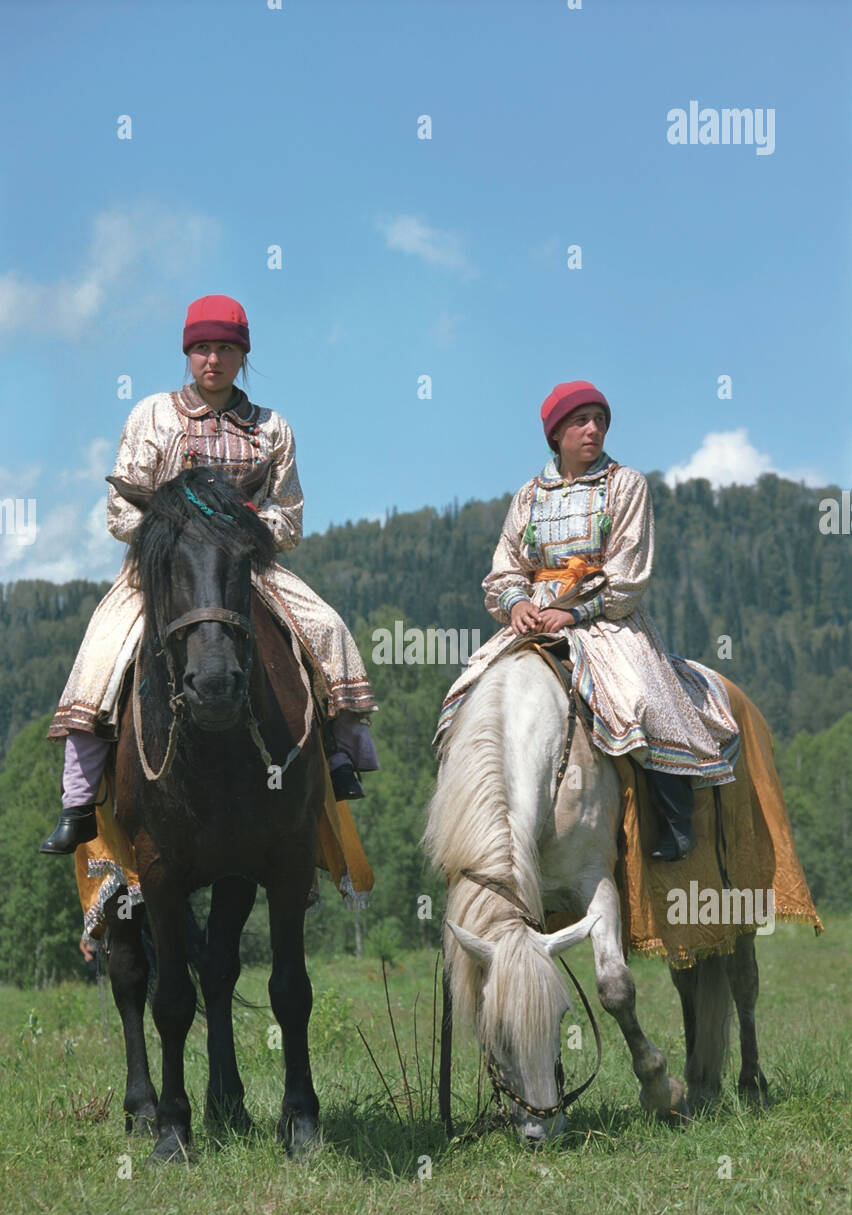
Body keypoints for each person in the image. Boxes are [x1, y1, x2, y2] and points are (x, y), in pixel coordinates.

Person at [40, 295, 378, 855]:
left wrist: (237, 533)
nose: (212, 359)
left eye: (224, 348)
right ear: (187, 354)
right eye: (201, 348)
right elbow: (120, 510)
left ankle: (341, 758)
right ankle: (78, 802)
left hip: (246, 569)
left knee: (329, 626)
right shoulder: (153, 415)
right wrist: (179, 529)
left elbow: (288, 517)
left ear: (242, 355)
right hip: (163, 572)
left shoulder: (273, 428)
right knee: (100, 650)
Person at [435, 380, 741, 860]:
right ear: (556, 434)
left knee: (641, 696)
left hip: (608, 616)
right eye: (580, 421)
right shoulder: (528, 496)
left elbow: (629, 572)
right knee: (466, 695)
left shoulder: (626, 484)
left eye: (599, 420)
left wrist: (572, 611)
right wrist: (516, 604)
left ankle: (677, 818)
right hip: (534, 615)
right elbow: (506, 566)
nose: (593, 429)